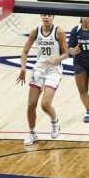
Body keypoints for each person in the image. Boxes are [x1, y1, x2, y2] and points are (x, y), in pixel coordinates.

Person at [17, 15, 66, 148]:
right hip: (39, 69)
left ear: (53, 17)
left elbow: (66, 54)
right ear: (40, 16)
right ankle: (32, 133)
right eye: (44, 15)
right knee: (31, 104)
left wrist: (56, 60)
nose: (46, 17)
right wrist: (23, 68)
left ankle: (55, 122)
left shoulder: (59, 32)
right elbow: (25, 52)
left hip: (54, 70)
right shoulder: (36, 31)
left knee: (45, 104)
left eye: (49, 15)